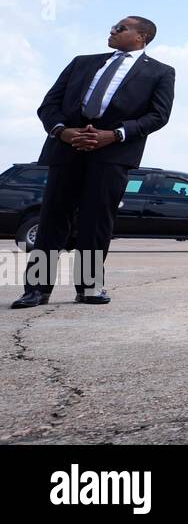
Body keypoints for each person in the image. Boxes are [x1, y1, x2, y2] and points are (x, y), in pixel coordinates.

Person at [12, 17, 175, 309]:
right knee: (52, 221)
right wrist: (63, 131)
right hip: (67, 148)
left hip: (113, 154)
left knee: (96, 222)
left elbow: (158, 116)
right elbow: (49, 105)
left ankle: (88, 287)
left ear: (142, 36)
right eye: (113, 27)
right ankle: (36, 290)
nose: (112, 30)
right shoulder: (81, 63)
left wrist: (115, 134)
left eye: (120, 28)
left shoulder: (161, 72)